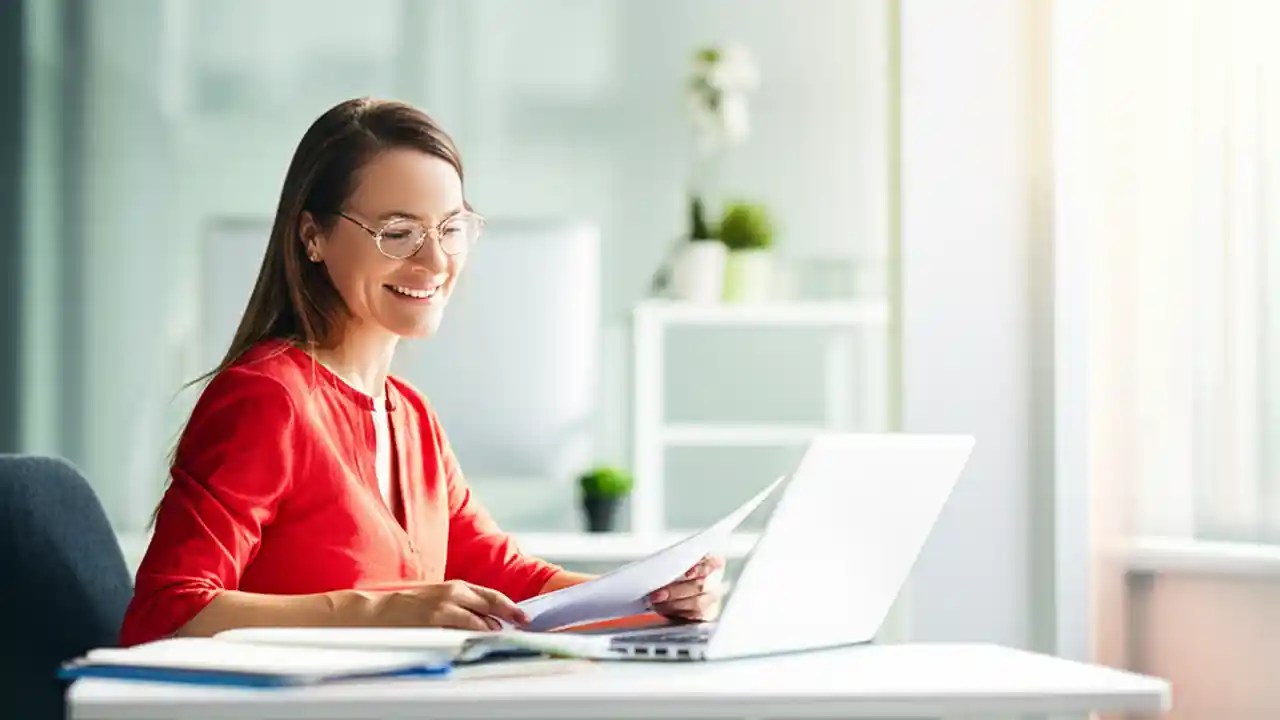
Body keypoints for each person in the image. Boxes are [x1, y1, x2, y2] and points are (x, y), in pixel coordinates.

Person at [120, 98, 723, 646]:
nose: (435, 260)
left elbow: (506, 579)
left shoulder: (409, 415)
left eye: (451, 229)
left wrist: (651, 596)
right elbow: (166, 614)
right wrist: (377, 612)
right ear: (313, 237)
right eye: (399, 232)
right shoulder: (267, 398)